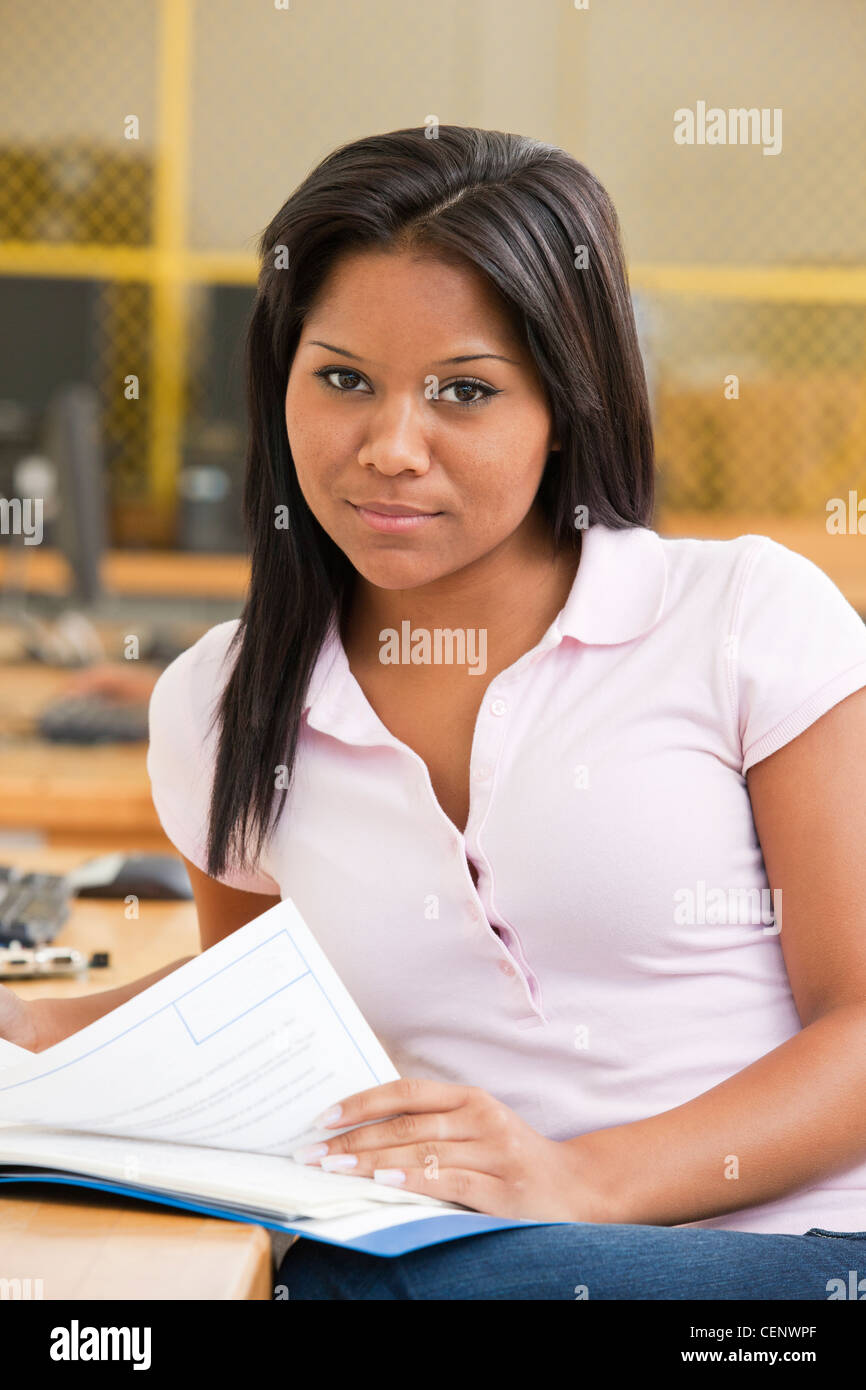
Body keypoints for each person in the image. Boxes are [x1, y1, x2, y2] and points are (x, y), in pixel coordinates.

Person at [4, 125, 866, 1300]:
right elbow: (268, 1023)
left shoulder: (741, 619)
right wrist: (40, 1035)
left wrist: (580, 1177)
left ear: (564, 404)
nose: (388, 448)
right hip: (424, 1252)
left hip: (784, 1262)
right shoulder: (224, 700)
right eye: (342, 378)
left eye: (463, 390)